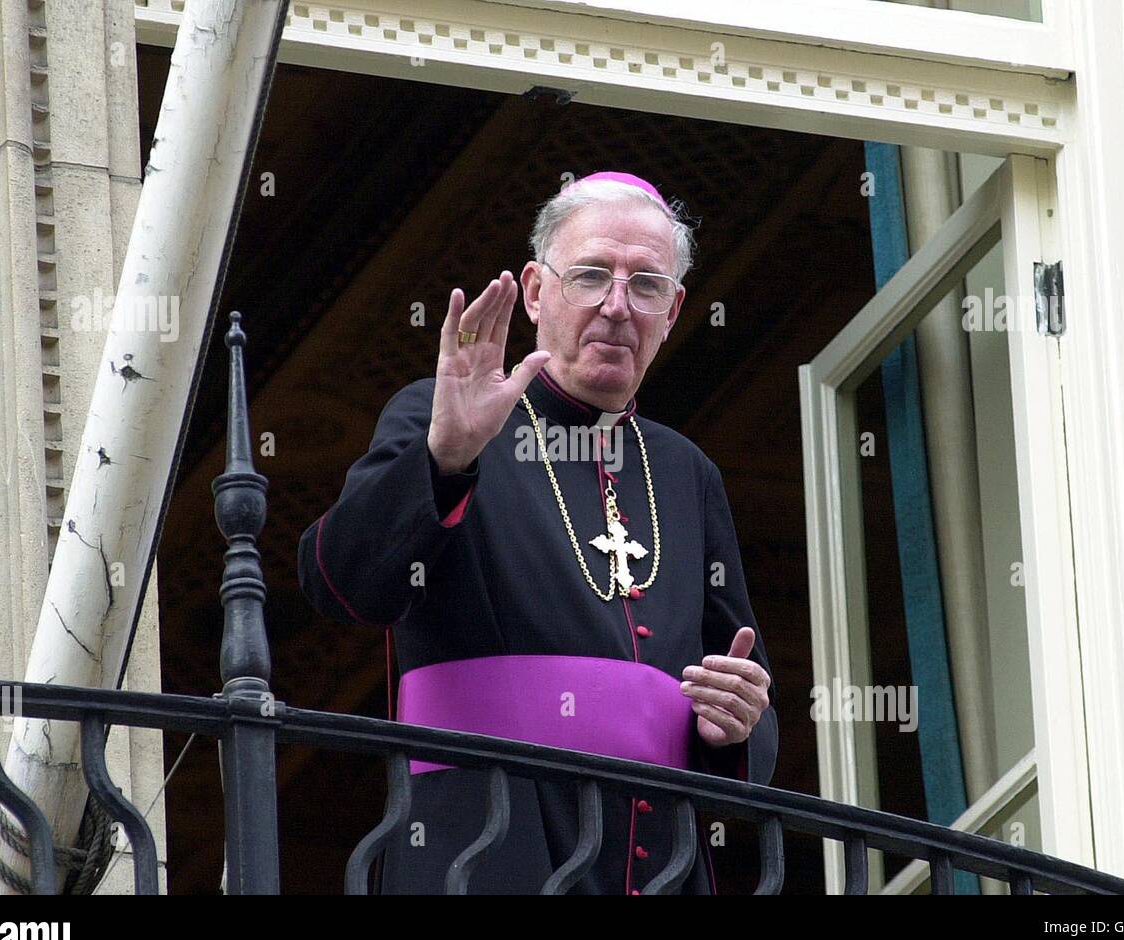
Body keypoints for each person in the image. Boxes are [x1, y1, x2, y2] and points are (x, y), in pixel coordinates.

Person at [297, 171, 778, 894]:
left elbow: (747, 700)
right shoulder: (445, 415)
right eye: (590, 276)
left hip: (658, 861)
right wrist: (445, 459)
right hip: (486, 843)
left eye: (646, 285)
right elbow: (341, 583)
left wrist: (737, 721)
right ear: (533, 290)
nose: (617, 306)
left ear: (675, 309)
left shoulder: (687, 472)